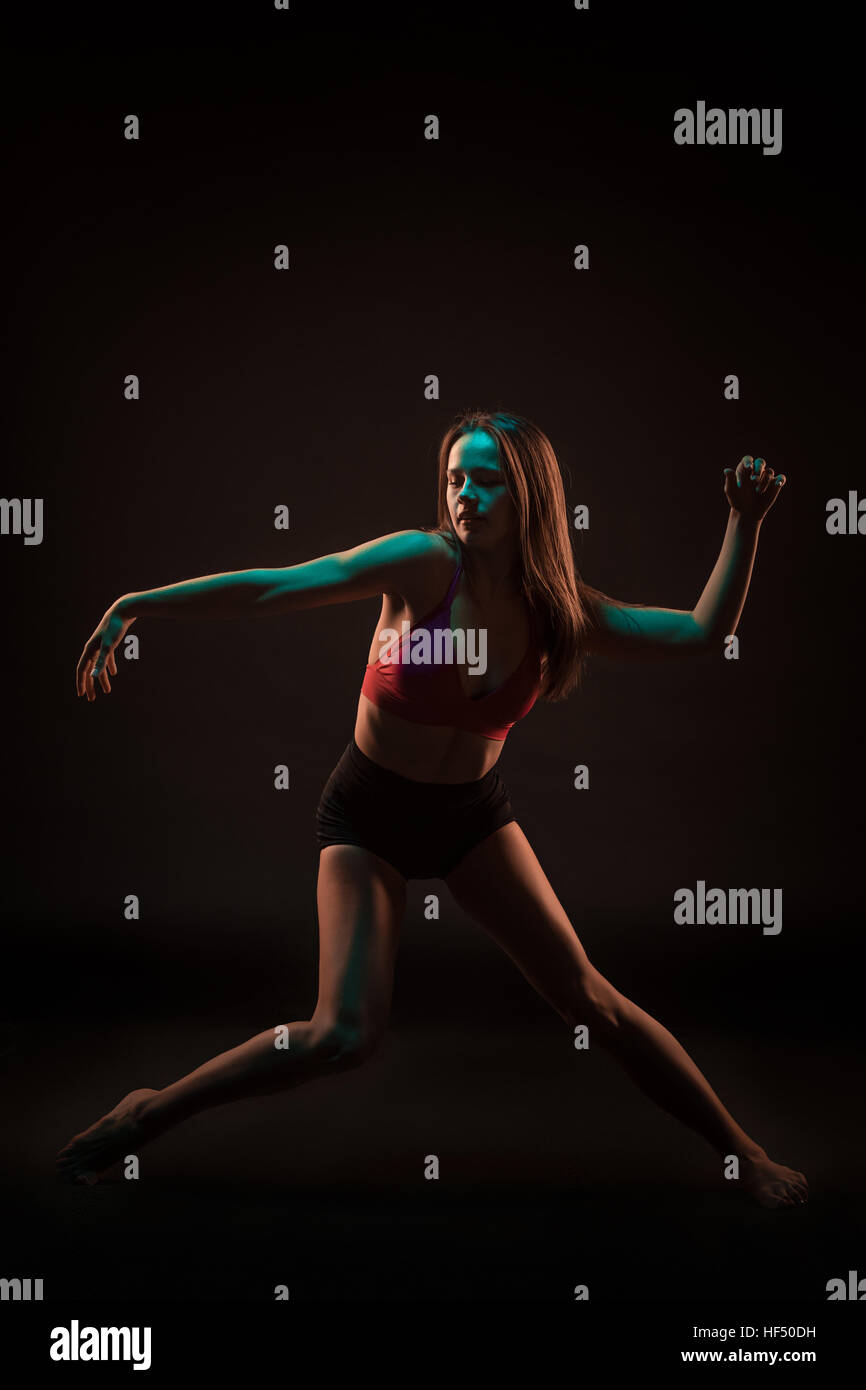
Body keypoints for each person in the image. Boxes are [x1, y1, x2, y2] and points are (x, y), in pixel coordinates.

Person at [58, 409, 807, 1209]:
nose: (466, 496)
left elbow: (700, 631)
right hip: (368, 813)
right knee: (341, 1034)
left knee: (590, 996)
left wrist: (743, 522)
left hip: (470, 818)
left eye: (487, 480)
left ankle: (746, 1154)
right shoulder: (423, 564)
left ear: (530, 496)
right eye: (455, 478)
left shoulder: (560, 609)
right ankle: (149, 1112)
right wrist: (136, 602)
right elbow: (278, 585)